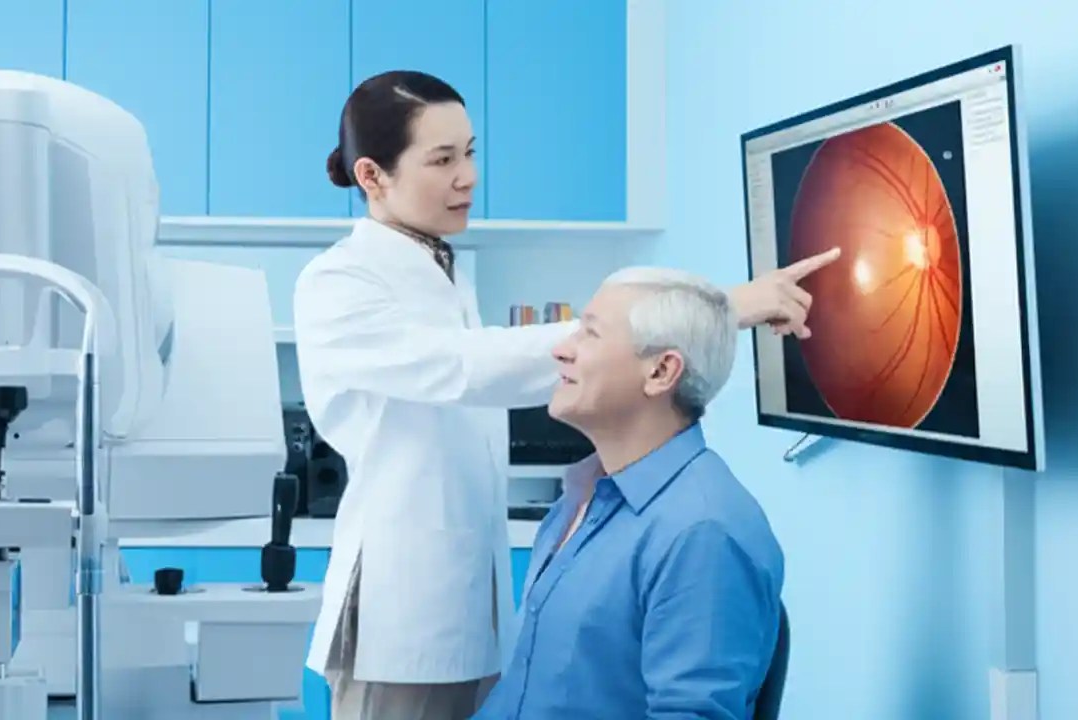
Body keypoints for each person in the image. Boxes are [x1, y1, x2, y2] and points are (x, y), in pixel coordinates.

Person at [291, 70, 836, 720]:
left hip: (470, 609)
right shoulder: (338, 282)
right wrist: (716, 308)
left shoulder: (699, 527)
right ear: (372, 176)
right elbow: (465, 367)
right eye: (442, 160)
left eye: (470, 152)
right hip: (405, 616)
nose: (468, 177)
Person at [472, 267, 782, 719]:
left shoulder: (702, 534)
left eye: (591, 333)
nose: (561, 350)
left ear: (661, 371)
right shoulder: (582, 495)